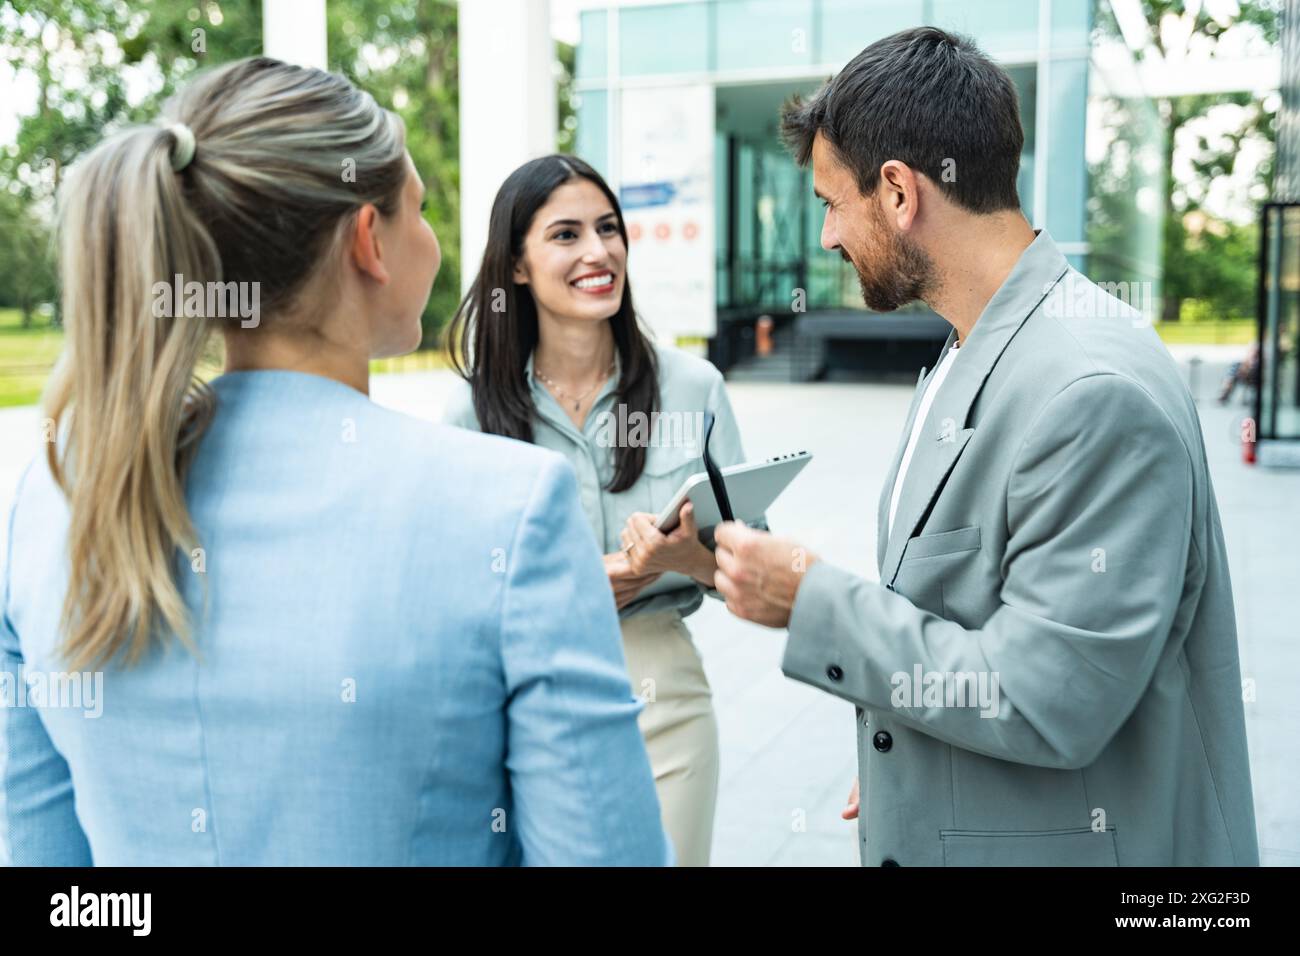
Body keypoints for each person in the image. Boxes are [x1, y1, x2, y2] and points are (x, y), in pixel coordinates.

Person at [0, 57, 669, 866]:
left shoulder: (56, 500)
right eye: (419, 211)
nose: (431, 240)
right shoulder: (510, 507)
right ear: (367, 242)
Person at [712, 27, 1259, 866]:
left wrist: (808, 598)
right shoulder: (975, 345)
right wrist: (919, 765)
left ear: (898, 192)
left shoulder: (1089, 390)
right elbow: (972, 623)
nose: (826, 237)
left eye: (831, 202)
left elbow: (1049, 696)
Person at [444, 154, 755, 866]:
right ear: (516, 266)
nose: (598, 251)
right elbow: (448, 595)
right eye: (565, 235)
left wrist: (686, 559)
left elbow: (751, 566)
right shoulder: (470, 415)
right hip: (520, 703)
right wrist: (573, 586)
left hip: (664, 696)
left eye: (608, 229)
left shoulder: (693, 388)